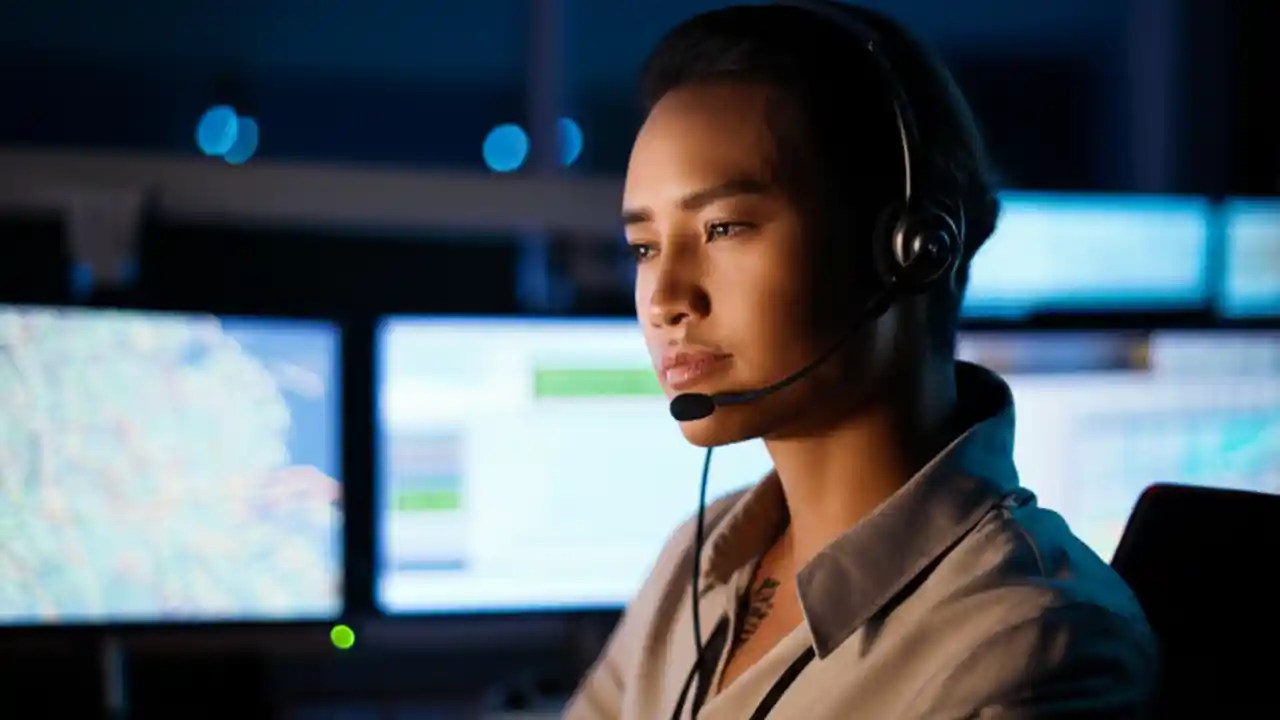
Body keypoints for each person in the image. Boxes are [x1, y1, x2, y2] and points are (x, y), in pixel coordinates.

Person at [563, 2, 1157, 719]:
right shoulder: (705, 554)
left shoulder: (1030, 643)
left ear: (908, 249)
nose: (665, 299)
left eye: (723, 227)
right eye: (645, 247)